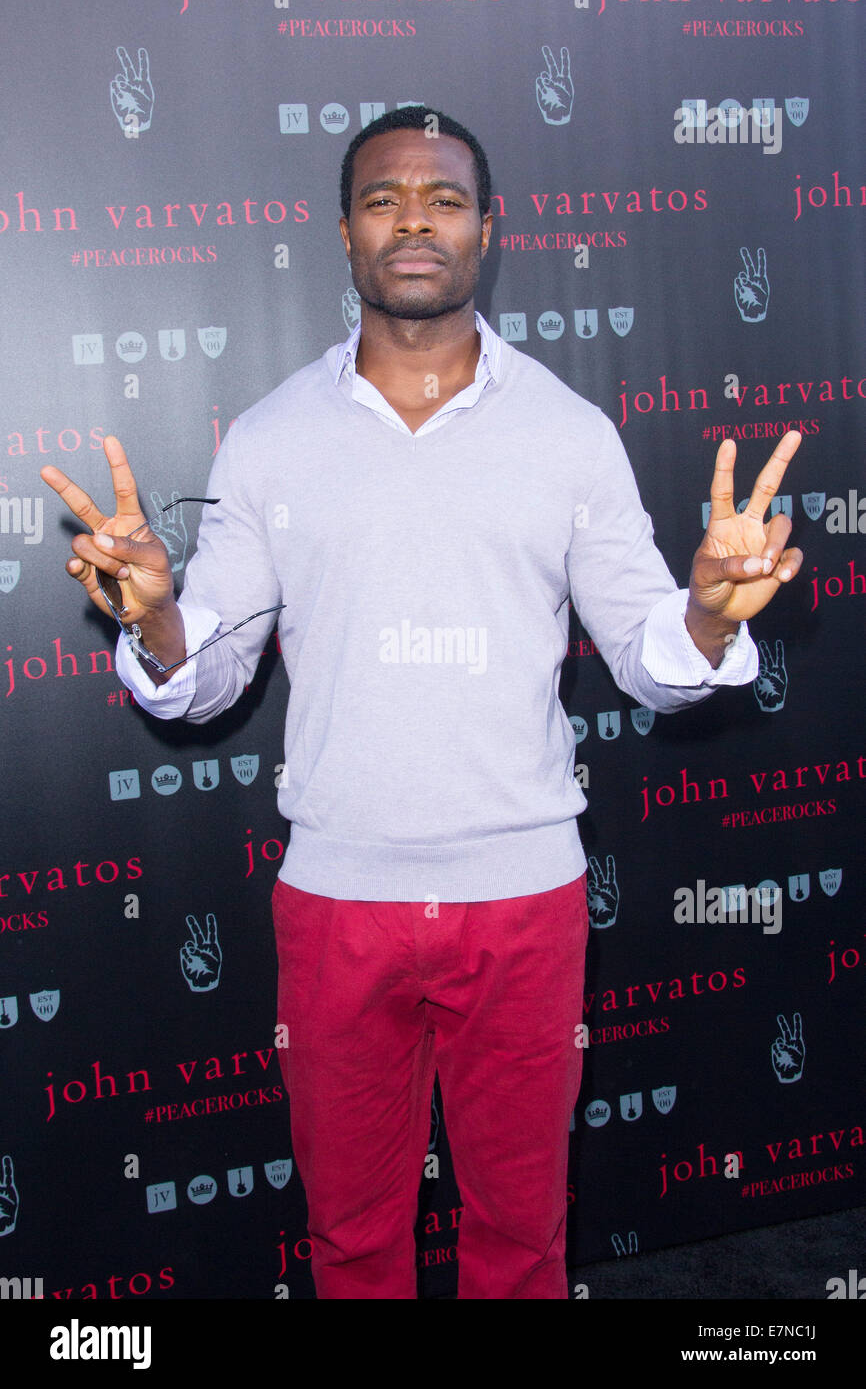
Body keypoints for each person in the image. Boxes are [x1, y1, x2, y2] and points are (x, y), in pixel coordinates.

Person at [42, 106, 803, 1300]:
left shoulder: (568, 432)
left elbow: (651, 657)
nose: (413, 220)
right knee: (350, 1244)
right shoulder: (271, 438)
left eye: (442, 199)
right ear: (344, 234)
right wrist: (150, 615)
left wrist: (711, 612)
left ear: (485, 231)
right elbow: (209, 676)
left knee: (520, 1243)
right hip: (337, 901)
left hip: (524, 898)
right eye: (384, 198)